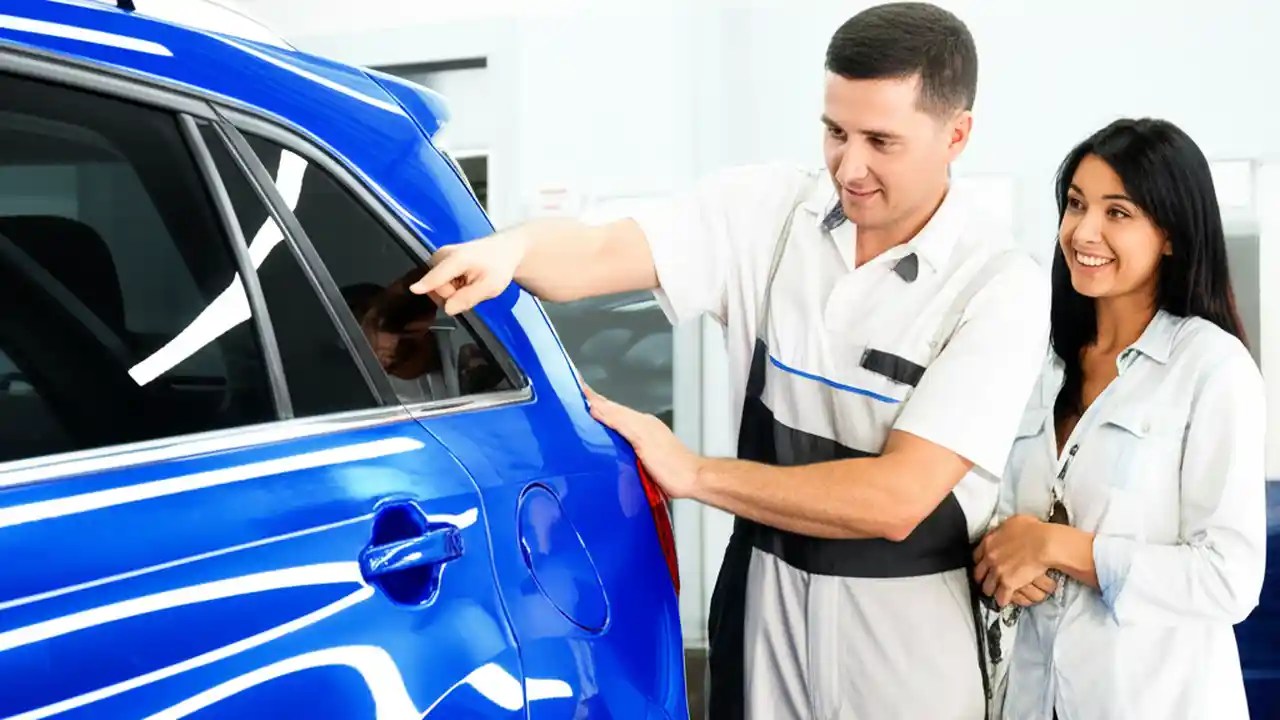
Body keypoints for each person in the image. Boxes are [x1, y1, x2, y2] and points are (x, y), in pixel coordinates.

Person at [413, 3, 1052, 717]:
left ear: (956, 134)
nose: (850, 165)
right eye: (834, 131)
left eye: (881, 140)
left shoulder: (999, 285)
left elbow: (896, 499)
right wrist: (514, 250)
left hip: (904, 624)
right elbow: (596, 252)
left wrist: (695, 474)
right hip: (763, 599)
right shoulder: (768, 211)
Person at [973, 118, 1266, 720]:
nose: (1084, 230)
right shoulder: (1035, 362)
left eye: (1118, 212)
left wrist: (1057, 546)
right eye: (1076, 204)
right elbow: (993, 516)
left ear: (1171, 235)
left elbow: (1229, 580)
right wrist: (999, 557)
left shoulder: (1210, 367)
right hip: (1032, 699)